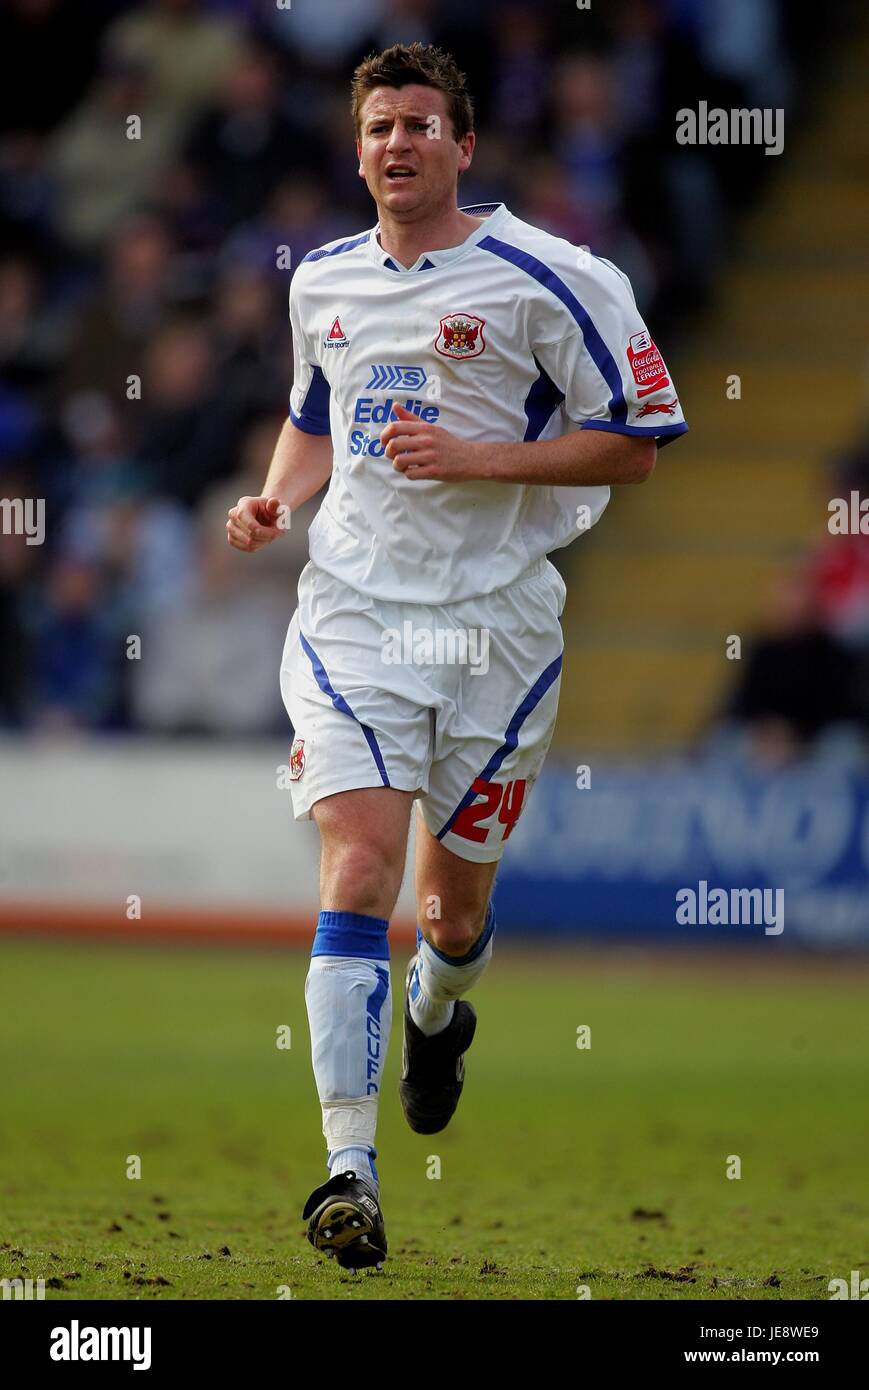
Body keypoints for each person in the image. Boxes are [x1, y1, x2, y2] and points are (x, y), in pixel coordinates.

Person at [226, 42, 687, 1272]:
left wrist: (474, 457)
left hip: (495, 629)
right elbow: (314, 414)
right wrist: (276, 499)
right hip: (353, 618)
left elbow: (637, 441)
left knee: (454, 909)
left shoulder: (557, 277)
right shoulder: (320, 279)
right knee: (359, 869)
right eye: (378, 125)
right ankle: (348, 1171)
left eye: (421, 125)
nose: (396, 144)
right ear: (357, 143)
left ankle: (437, 1014)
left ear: (464, 145)